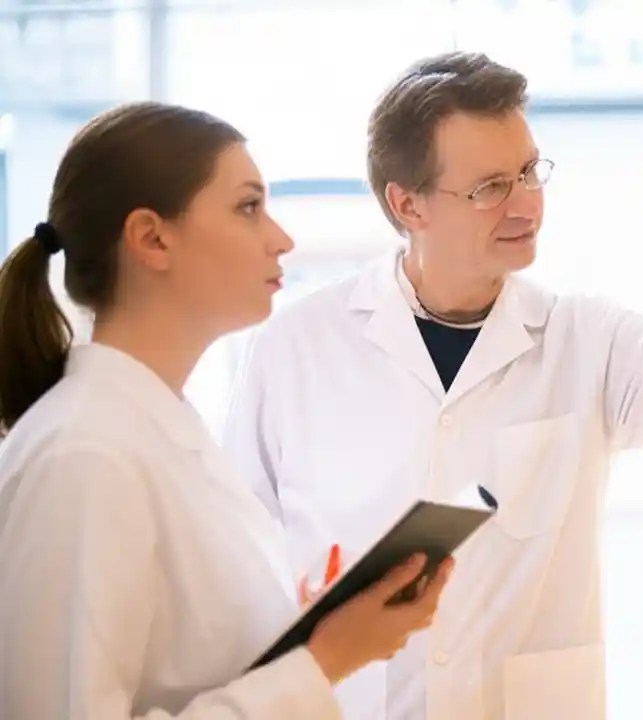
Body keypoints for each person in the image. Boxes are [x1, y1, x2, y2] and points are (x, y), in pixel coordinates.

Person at [222, 51, 643, 720]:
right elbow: (236, 562)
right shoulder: (293, 350)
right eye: (491, 187)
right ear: (408, 205)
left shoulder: (582, 338)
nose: (525, 205)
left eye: (528, 173)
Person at [0, 102, 456, 719]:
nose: (281, 239)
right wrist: (323, 662)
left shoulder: (157, 432)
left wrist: (298, 633)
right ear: (151, 238)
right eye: (248, 207)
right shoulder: (85, 456)